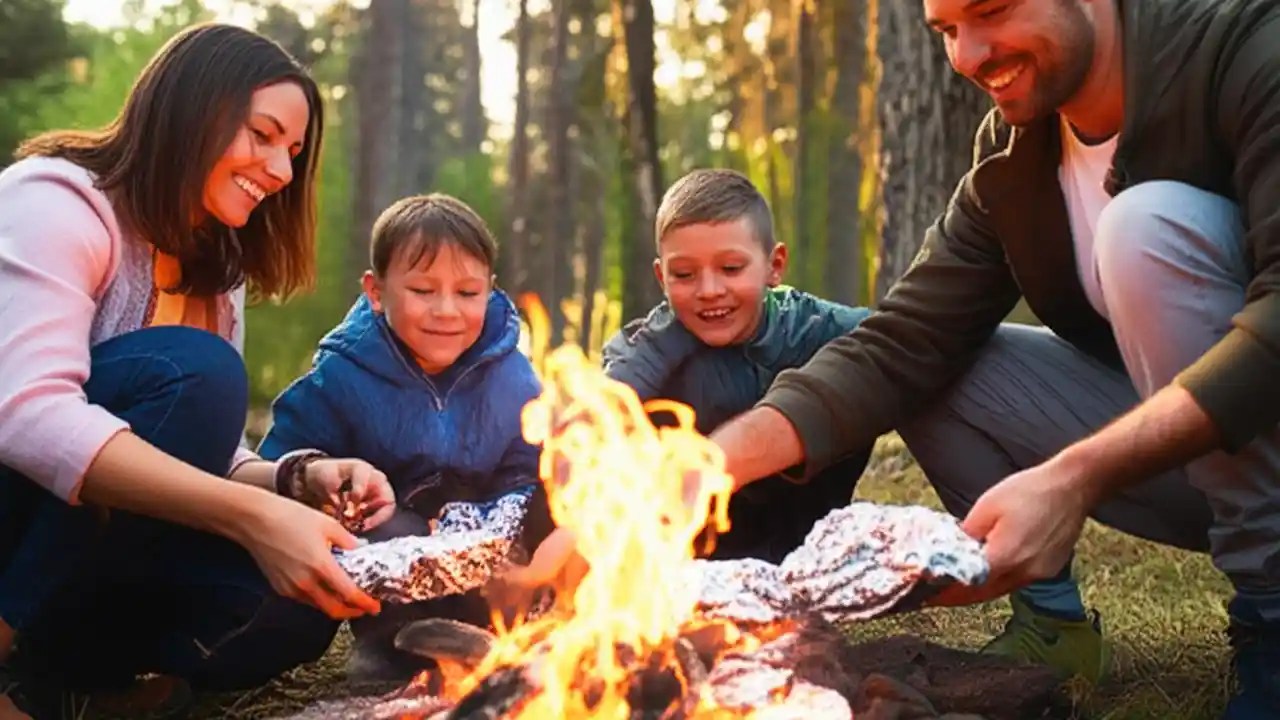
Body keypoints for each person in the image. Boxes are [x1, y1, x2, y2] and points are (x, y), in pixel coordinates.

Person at [704, 0, 1280, 716]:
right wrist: (694, 472)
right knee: (941, 362)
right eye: (946, 30)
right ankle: (1053, 625)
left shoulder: (1247, 47)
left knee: (1143, 229)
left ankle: (1271, 613)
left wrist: (1074, 477)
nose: (968, 57)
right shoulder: (1016, 151)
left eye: (991, 11)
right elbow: (904, 341)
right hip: (1211, 470)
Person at [0, 23, 393, 720]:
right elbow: (27, 413)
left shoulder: (219, 266)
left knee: (292, 607)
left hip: (91, 543)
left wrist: (295, 480)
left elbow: (201, 444)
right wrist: (252, 516)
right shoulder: (55, 201)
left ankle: (67, 681)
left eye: (293, 152)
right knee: (199, 373)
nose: (279, 170)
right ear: (191, 109)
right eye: (262, 134)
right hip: (15, 508)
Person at [257, 193, 552, 684]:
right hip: (398, 546)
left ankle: (510, 646)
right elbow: (284, 463)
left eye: (467, 293)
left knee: (558, 509)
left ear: (490, 291)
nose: (446, 311)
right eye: (422, 290)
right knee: (386, 528)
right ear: (376, 292)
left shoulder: (511, 375)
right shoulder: (344, 374)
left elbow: (531, 464)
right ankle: (398, 654)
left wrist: (513, 523)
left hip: (489, 550)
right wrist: (332, 489)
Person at [599, 168, 873, 564]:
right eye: (684, 274)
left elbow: (908, 344)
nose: (709, 290)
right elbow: (601, 409)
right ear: (662, 276)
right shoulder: (647, 350)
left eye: (730, 268)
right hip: (693, 566)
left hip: (814, 551)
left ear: (774, 265)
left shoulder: (824, 331)